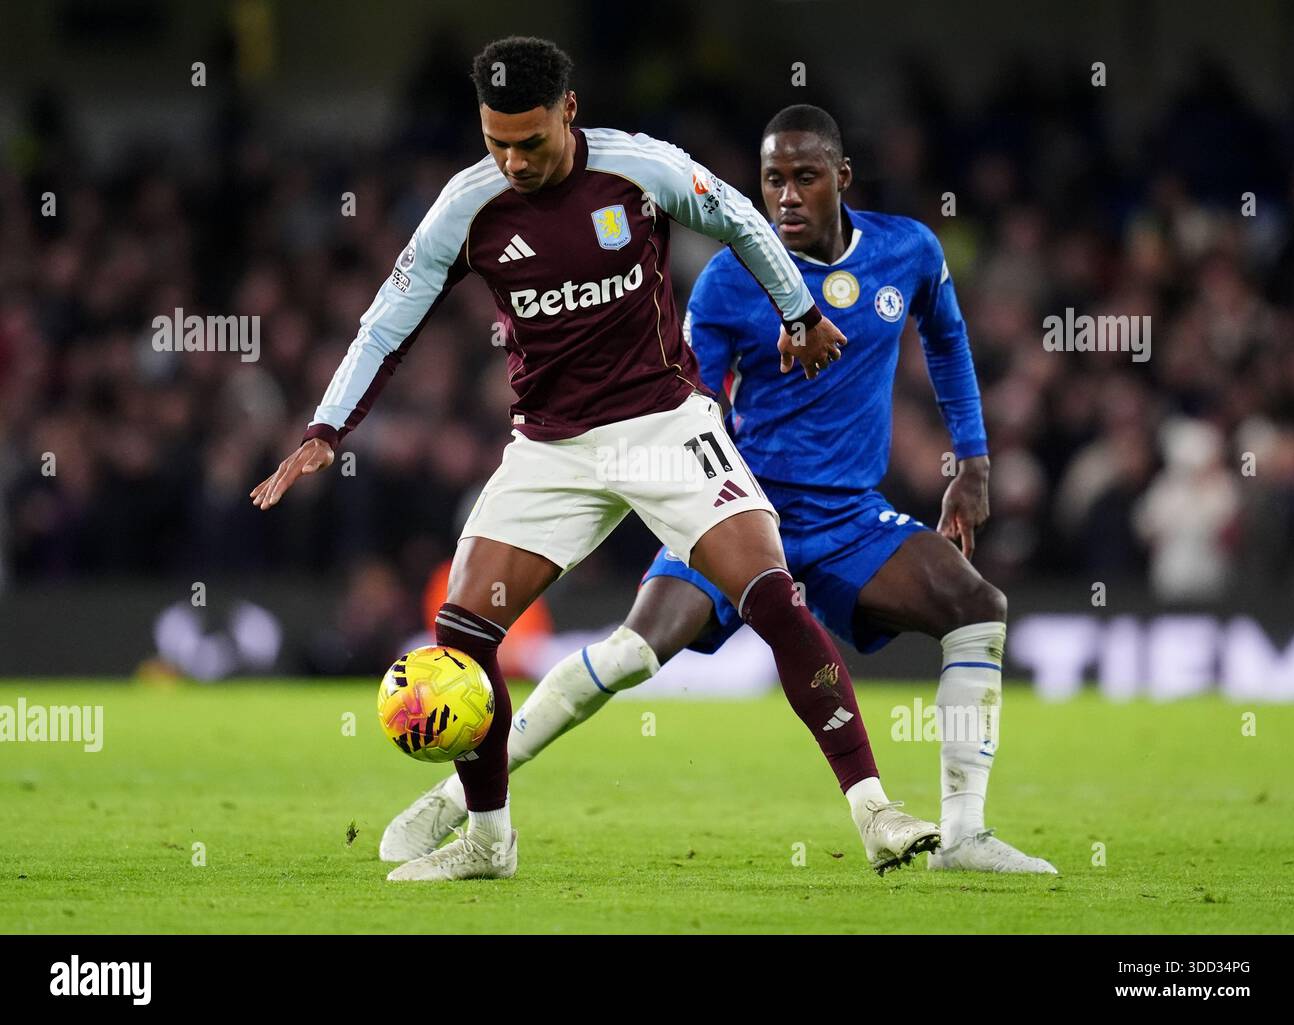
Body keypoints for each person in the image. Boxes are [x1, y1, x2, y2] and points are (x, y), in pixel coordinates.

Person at [252, 42, 939, 881]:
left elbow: (736, 215)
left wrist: (797, 310)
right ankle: (488, 840)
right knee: (461, 637)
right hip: (551, 446)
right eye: (495, 141)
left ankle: (875, 813)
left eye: (529, 143)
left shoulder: (640, 169)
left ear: (568, 112)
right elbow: (387, 321)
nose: (512, 161)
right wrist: (328, 427)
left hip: (664, 426)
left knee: (770, 595)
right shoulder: (466, 206)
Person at [380, 103, 1056, 875]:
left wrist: (971, 460)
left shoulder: (907, 250)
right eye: (773, 181)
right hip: (737, 506)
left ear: (842, 177)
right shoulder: (734, 280)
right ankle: (458, 800)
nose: (787, 197)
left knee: (978, 608)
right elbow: (670, 392)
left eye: (805, 178)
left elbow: (947, 336)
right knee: (633, 653)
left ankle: (963, 835)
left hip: (846, 515)